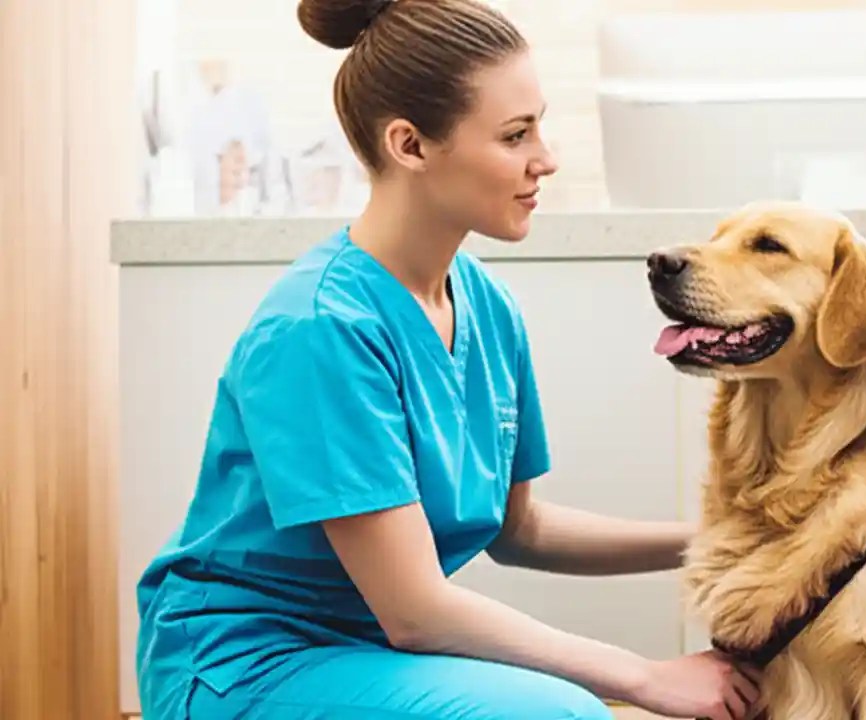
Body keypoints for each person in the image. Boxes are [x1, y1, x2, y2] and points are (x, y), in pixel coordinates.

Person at [132, 1, 763, 718]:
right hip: (245, 665)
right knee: (562, 713)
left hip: (368, 652)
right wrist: (644, 677)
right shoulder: (319, 327)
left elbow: (520, 530)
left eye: (539, 127)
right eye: (515, 135)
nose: (545, 158)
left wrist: (718, 540)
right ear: (410, 145)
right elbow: (416, 611)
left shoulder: (486, 306)